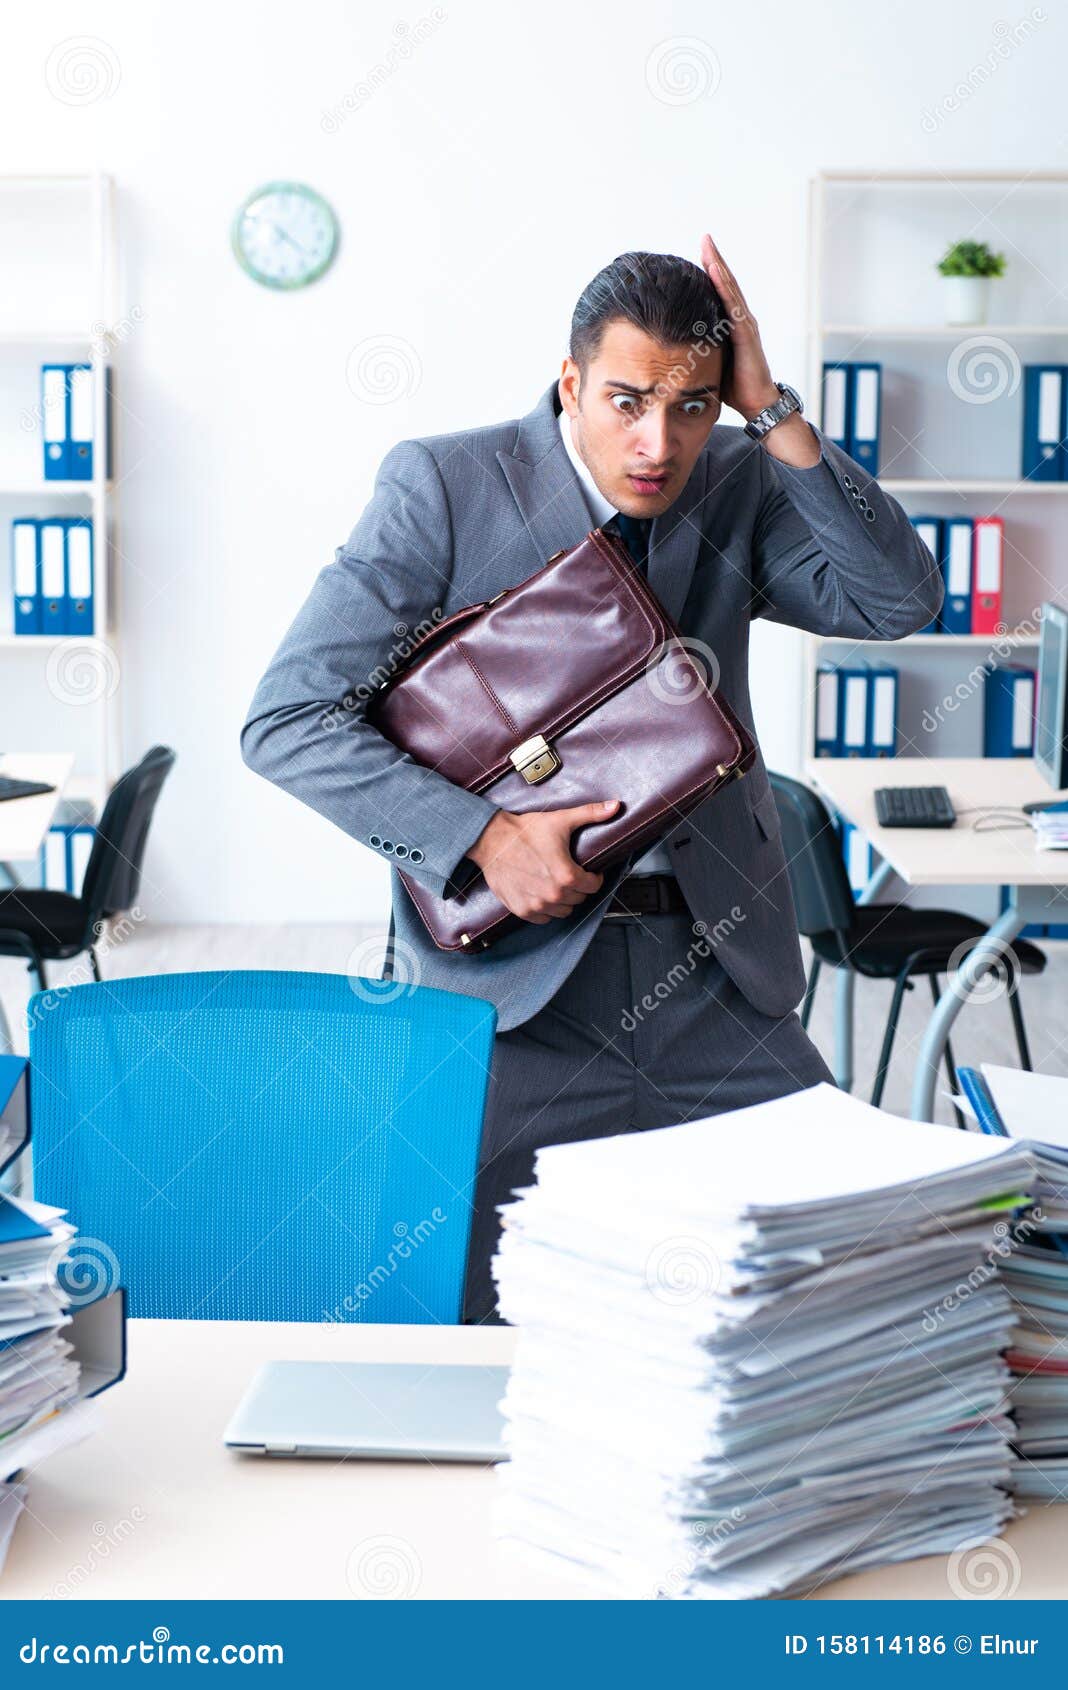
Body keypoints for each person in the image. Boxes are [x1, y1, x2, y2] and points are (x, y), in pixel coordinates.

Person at [242, 237, 943, 1321]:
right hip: (510, 1003)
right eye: (624, 402)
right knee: (466, 1325)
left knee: (802, 1314)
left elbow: (897, 602)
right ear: (570, 380)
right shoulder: (446, 484)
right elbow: (288, 718)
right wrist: (480, 838)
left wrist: (774, 415)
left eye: (692, 407)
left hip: (719, 977)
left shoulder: (736, 479)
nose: (657, 444)